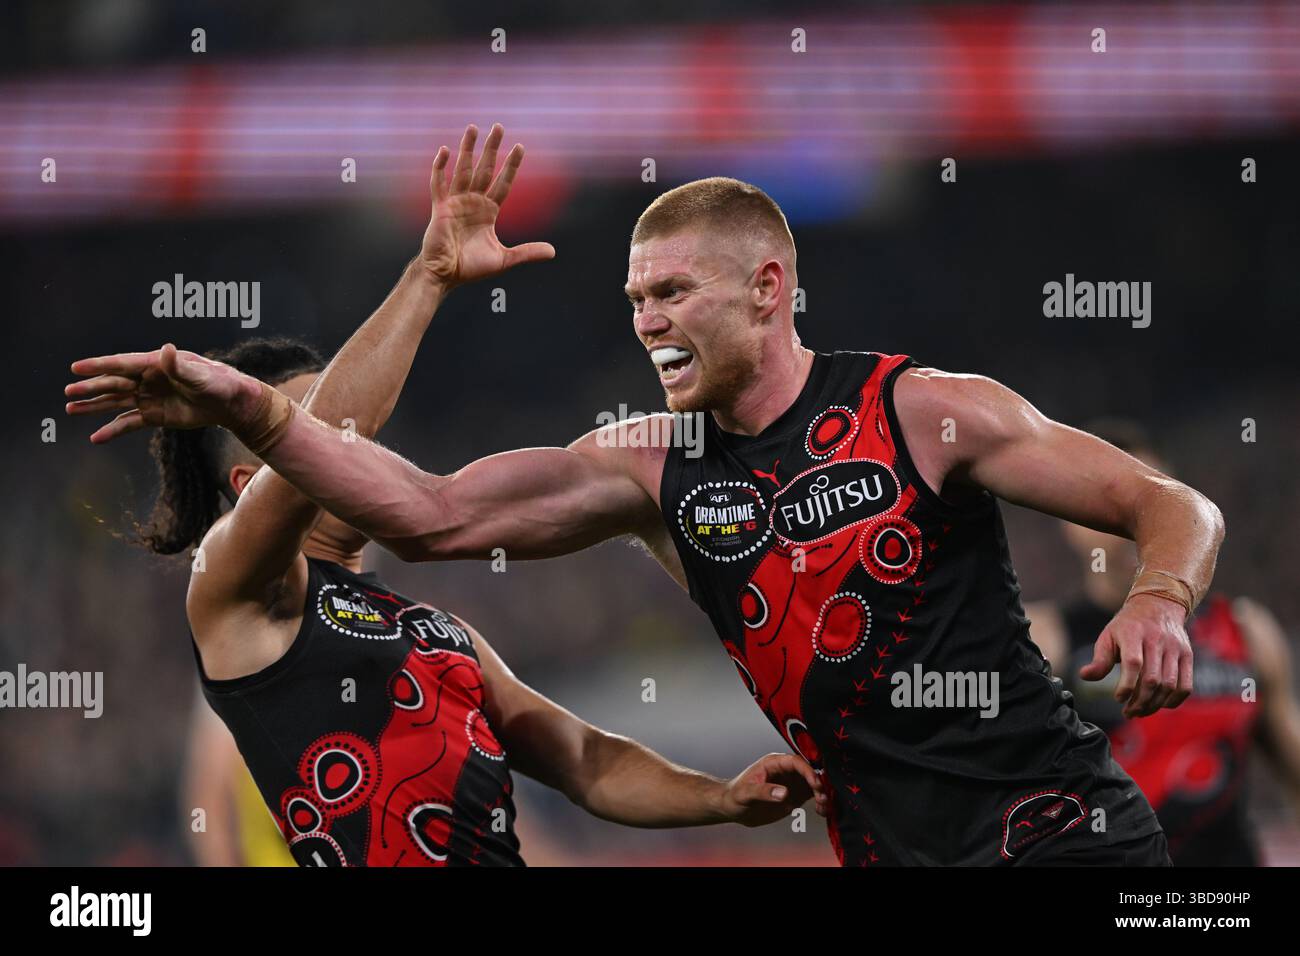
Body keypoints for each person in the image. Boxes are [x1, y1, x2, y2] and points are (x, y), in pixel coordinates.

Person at [66, 125, 1225, 866]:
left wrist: (1161, 595)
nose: (646, 321)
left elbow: (1169, 501)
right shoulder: (643, 461)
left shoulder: (921, 409)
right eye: (633, 297)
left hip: (1052, 828)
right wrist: (280, 390)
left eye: (672, 290)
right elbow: (431, 512)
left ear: (767, 288)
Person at [66, 127, 820, 867]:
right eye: (314, 438)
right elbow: (334, 422)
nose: (351, 449)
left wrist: (719, 798)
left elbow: (584, 758)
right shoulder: (236, 592)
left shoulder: (437, 630)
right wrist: (425, 280)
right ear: (250, 482)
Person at [1025, 419, 1300, 866]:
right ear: (1070, 523)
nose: (1137, 524)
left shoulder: (1246, 630)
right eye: (1110, 503)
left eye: (1156, 502)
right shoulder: (1043, 640)